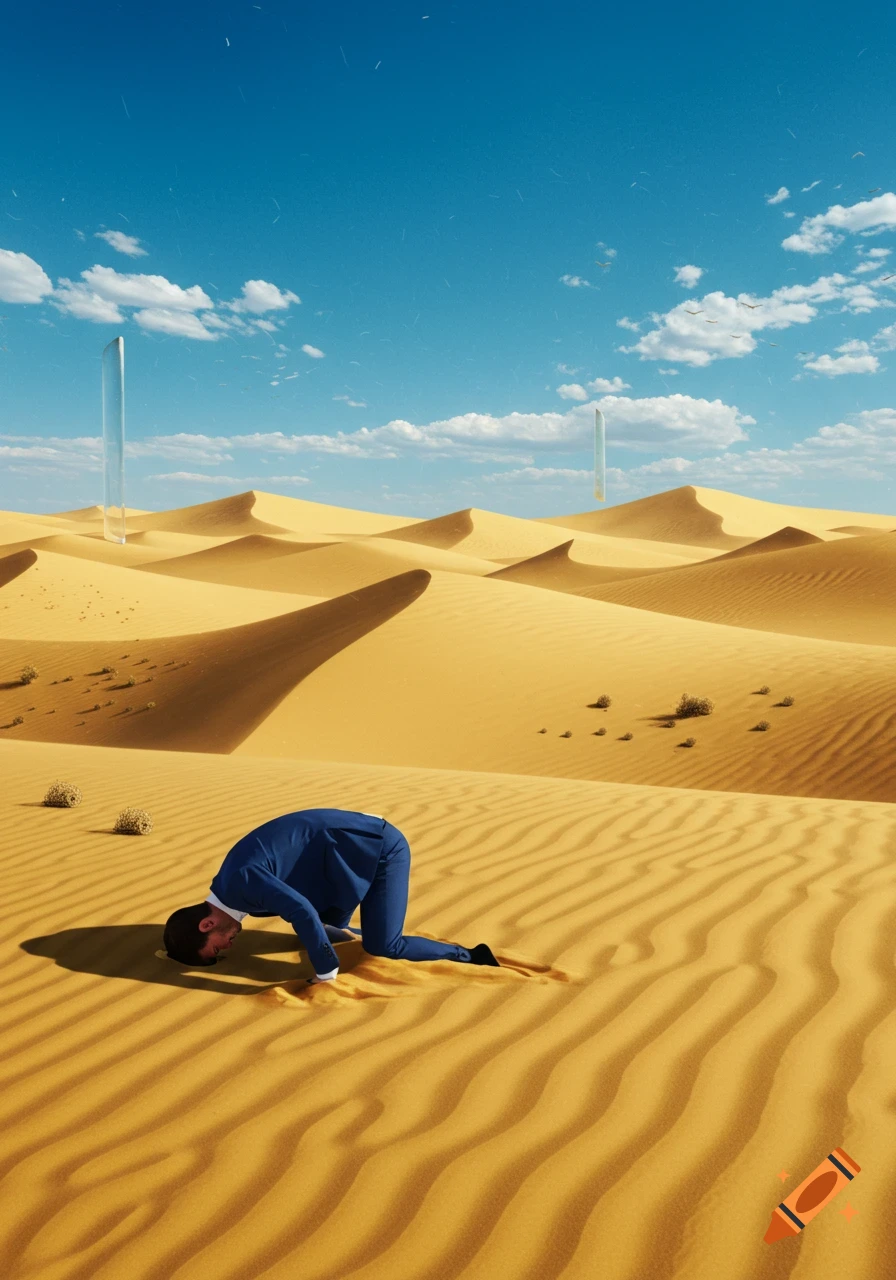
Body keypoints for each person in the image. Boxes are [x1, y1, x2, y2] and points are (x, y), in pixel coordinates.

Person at [163, 807, 500, 981]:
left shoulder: (242, 883)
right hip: (338, 859)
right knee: (323, 928)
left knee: (384, 946)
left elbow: (301, 910)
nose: (228, 948)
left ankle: (470, 955)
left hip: (378, 848)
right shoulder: (230, 887)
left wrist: (326, 971)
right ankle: (344, 930)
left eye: (216, 950)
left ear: (206, 925)